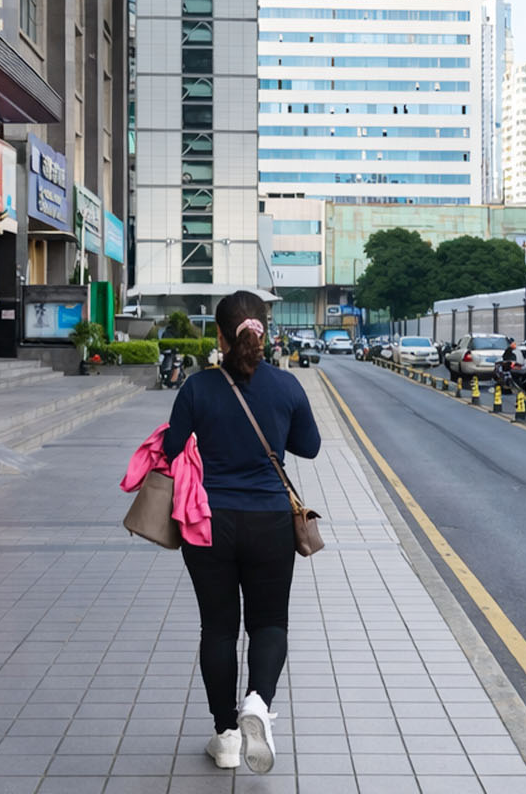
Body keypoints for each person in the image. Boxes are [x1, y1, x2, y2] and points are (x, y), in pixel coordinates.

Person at [162, 291, 321, 774]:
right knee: (269, 623)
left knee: (218, 628)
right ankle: (258, 701)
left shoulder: (197, 388)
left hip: (208, 523)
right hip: (270, 523)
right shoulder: (287, 386)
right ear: (264, 332)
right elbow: (309, 446)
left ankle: (227, 737)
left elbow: (171, 451)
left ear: (219, 335)